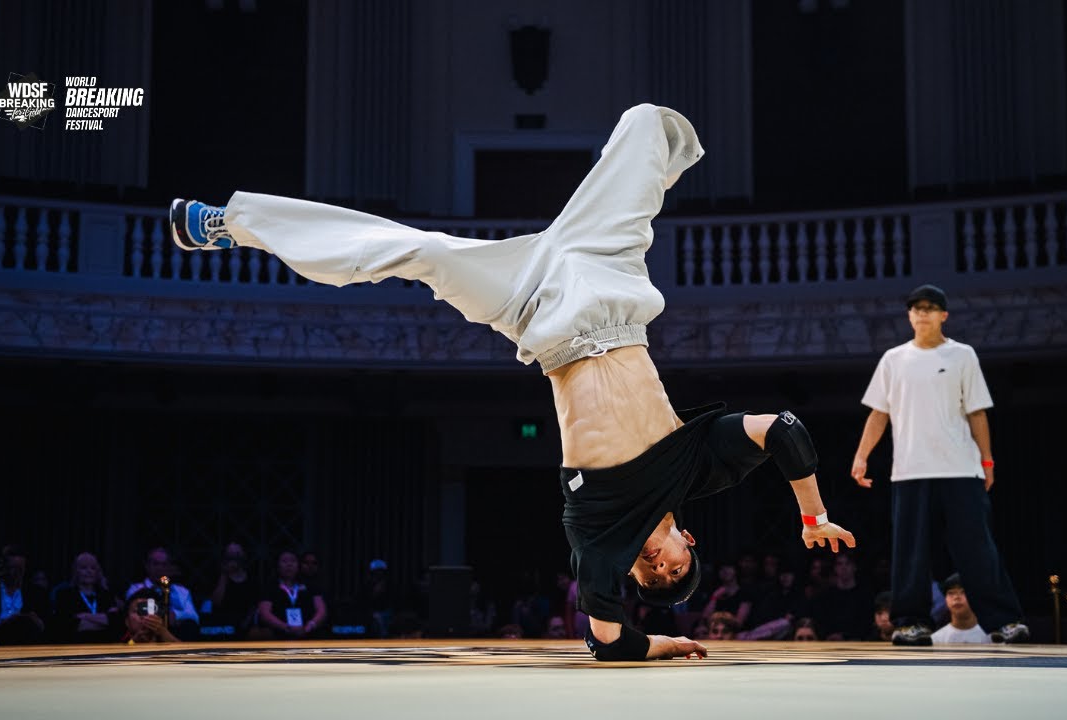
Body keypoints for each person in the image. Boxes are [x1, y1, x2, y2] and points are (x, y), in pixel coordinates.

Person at [170, 103, 855, 662]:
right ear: (689, 543)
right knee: (650, 121)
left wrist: (657, 645)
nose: (658, 566)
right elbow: (784, 431)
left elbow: (607, 641)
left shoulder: (601, 532)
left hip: (533, 306)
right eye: (673, 567)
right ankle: (662, 171)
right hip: (605, 273)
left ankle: (230, 224)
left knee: (423, 252)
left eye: (653, 577)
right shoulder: (698, 468)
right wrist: (811, 513)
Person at [851, 283, 1028, 646]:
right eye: (916, 308)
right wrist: (861, 455)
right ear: (909, 315)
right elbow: (878, 413)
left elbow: (977, 411)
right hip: (910, 470)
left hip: (961, 468)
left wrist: (987, 459)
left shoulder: (962, 355)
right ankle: (910, 623)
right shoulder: (893, 359)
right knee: (910, 553)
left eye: (930, 308)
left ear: (943, 315)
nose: (922, 314)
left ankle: (1004, 621)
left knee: (978, 549)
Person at [125, 547, 200, 640]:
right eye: (156, 564)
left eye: (164, 564)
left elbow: (194, 617)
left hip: (174, 633)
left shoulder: (182, 591)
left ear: (169, 567)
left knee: (190, 626)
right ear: (147, 566)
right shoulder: (136, 589)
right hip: (146, 629)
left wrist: (176, 615)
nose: (160, 568)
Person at [50, 552, 122, 643]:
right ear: (75, 571)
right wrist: (103, 621)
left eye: (93, 568)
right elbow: (67, 626)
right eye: (83, 567)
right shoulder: (65, 595)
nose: (89, 571)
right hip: (75, 646)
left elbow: (115, 622)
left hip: (104, 645)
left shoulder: (106, 595)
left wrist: (84, 616)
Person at [258, 550, 328, 640]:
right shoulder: (270, 587)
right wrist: (286, 628)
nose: (289, 565)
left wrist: (310, 625)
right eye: (284, 561)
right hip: (278, 635)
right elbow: (265, 613)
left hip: (308, 634)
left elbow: (321, 611)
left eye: (293, 561)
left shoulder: (310, 586)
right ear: (277, 565)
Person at [930, 573, 990, 644]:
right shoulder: (936, 639)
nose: (956, 597)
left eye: (963, 592)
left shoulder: (991, 637)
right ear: (945, 599)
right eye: (951, 593)